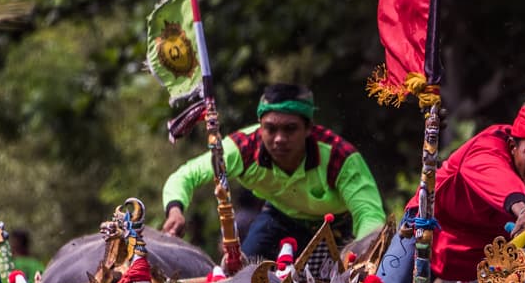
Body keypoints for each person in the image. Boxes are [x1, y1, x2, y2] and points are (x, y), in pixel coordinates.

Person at [380, 99, 525, 283]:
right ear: (512, 147)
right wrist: (524, 211)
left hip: (488, 266)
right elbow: (494, 174)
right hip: (424, 234)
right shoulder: (489, 145)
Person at [161, 83, 386, 258]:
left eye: (290, 129)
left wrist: (361, 253)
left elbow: (371, 217)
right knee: (242, 279)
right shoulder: (242, 148)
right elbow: (186, 175)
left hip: (337, 227)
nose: (279, 139)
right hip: (278, 218)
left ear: (309, 128)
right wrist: (175, 210)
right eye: (270, 128)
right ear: (260, 125)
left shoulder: (340, 157)